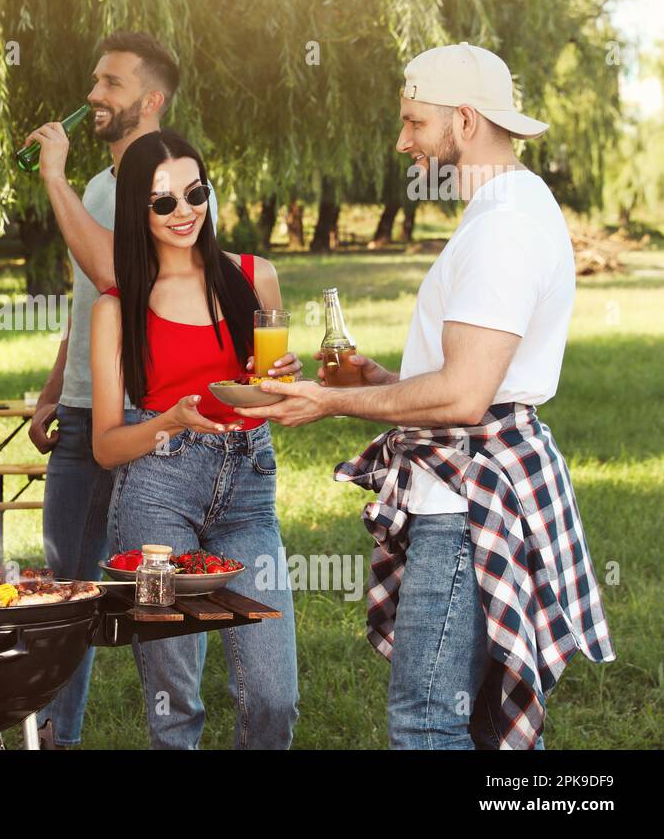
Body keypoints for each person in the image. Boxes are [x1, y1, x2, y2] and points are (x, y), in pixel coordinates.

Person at [245, 42, 615, 749]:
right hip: (477, 483)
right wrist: (385, 383)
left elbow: (467, 396)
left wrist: (329, 404)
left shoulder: (503, 227)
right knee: (475, 719)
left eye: (415, 122)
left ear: (466, 120)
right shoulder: (513, 204)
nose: (401, 141)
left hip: (467, 502)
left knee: (425, 718)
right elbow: (474, 379)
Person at [20, 31, 221, 748]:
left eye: (110, 83)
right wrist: (55, 390)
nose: (93, 95)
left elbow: (118, 277)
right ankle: (54, 737)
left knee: (158, 594)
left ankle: (175, 739)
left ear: (151, 99)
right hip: (84, 412)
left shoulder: (179, 189)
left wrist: (53, 180)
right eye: (94, 80)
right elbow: (89, 302)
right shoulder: (102, 188)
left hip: (152, 420)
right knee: (66, 587)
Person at [89, 129, 300, 749]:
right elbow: (106, 445)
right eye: (162, 202)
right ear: (137, 210)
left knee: (273, 695)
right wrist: (170, 421)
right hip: (157, 493)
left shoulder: (254, 276)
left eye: (194, 193)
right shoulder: (117, 306)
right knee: (174, 701)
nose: (184, 212)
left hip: (248, 488)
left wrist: (281, 385)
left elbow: (270, 387)